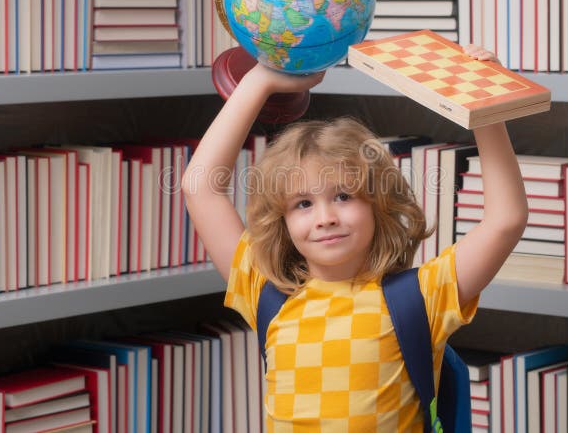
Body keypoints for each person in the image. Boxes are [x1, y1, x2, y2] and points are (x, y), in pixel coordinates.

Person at [182, 45, 528, 431]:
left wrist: (485, 106)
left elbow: (506, 220)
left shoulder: (424, 296)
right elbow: (200, 188)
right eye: (302, 204)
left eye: (344, 196)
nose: (325, 218)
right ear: (281, 222)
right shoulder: (262, 290)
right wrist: (258, 82)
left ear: (379, 205)